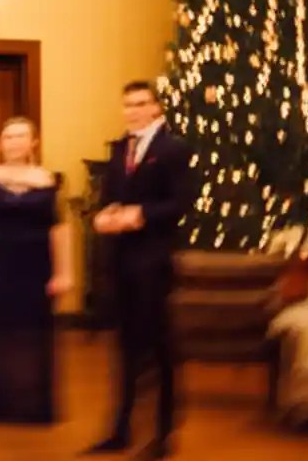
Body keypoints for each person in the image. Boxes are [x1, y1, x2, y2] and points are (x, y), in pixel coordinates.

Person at [86, 81, 193, 458]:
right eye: (128, 104)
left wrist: (140, 216)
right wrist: (105, 214)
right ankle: (120, 428)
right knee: (124, 350)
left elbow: (180, 203)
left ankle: (163, 435)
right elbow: (112, 197)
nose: (133, 110)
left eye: (141, 103)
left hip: (153, 262)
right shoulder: (121, 148)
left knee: (160, 351)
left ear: (156, 108)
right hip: (121, 261)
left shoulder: (172, 148)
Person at [0, 117, 72, 423]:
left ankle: (34, 405)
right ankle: (0, 406)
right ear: (1, 143)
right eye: (9, 136)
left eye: (21, 136)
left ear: (33, 143)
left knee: (36, 334)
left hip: (38, 263)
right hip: (0, 262)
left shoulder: (46, 179)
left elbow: (59, 227)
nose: (15, 142)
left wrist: (64, 272)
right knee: (0, 332)